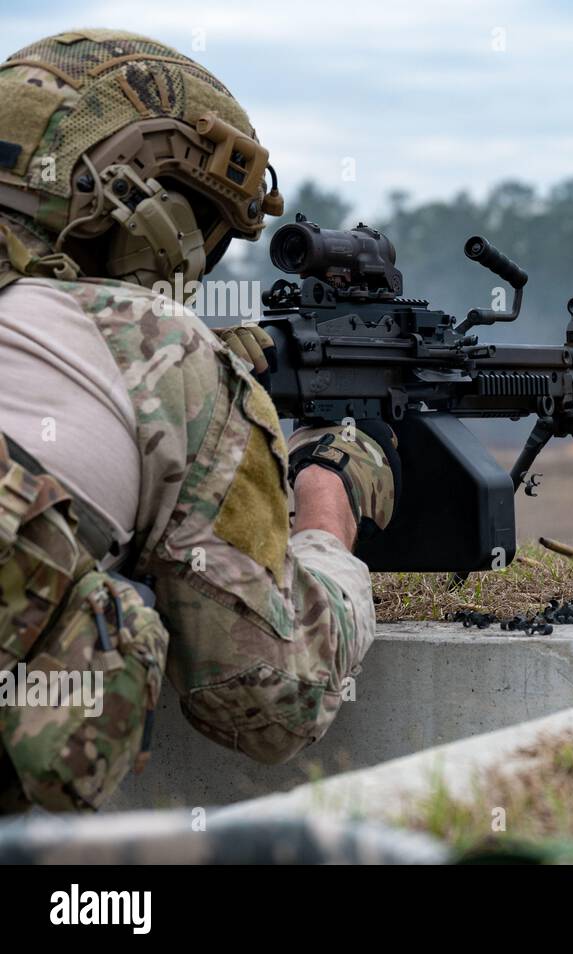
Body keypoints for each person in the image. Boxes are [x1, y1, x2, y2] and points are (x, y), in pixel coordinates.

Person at [0, 29, 396, 812]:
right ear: (142, 213)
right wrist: (326, 509)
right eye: (202, 230)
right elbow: (271, 698)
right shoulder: (158, 346)